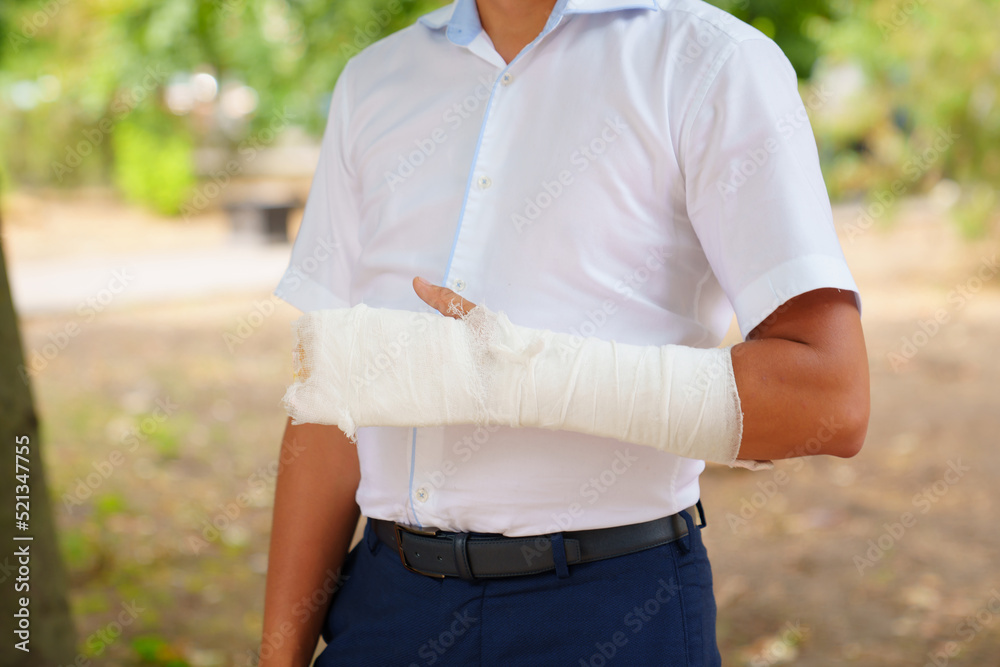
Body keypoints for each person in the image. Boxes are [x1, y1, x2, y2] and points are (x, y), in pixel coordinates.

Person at [260, 0, 870, 664]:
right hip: (387, 607)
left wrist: (518, 376)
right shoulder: (373, 81)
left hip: (610, 606)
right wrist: (278, 654)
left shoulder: (708, 59)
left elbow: (830, 400)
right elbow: (330, 400)